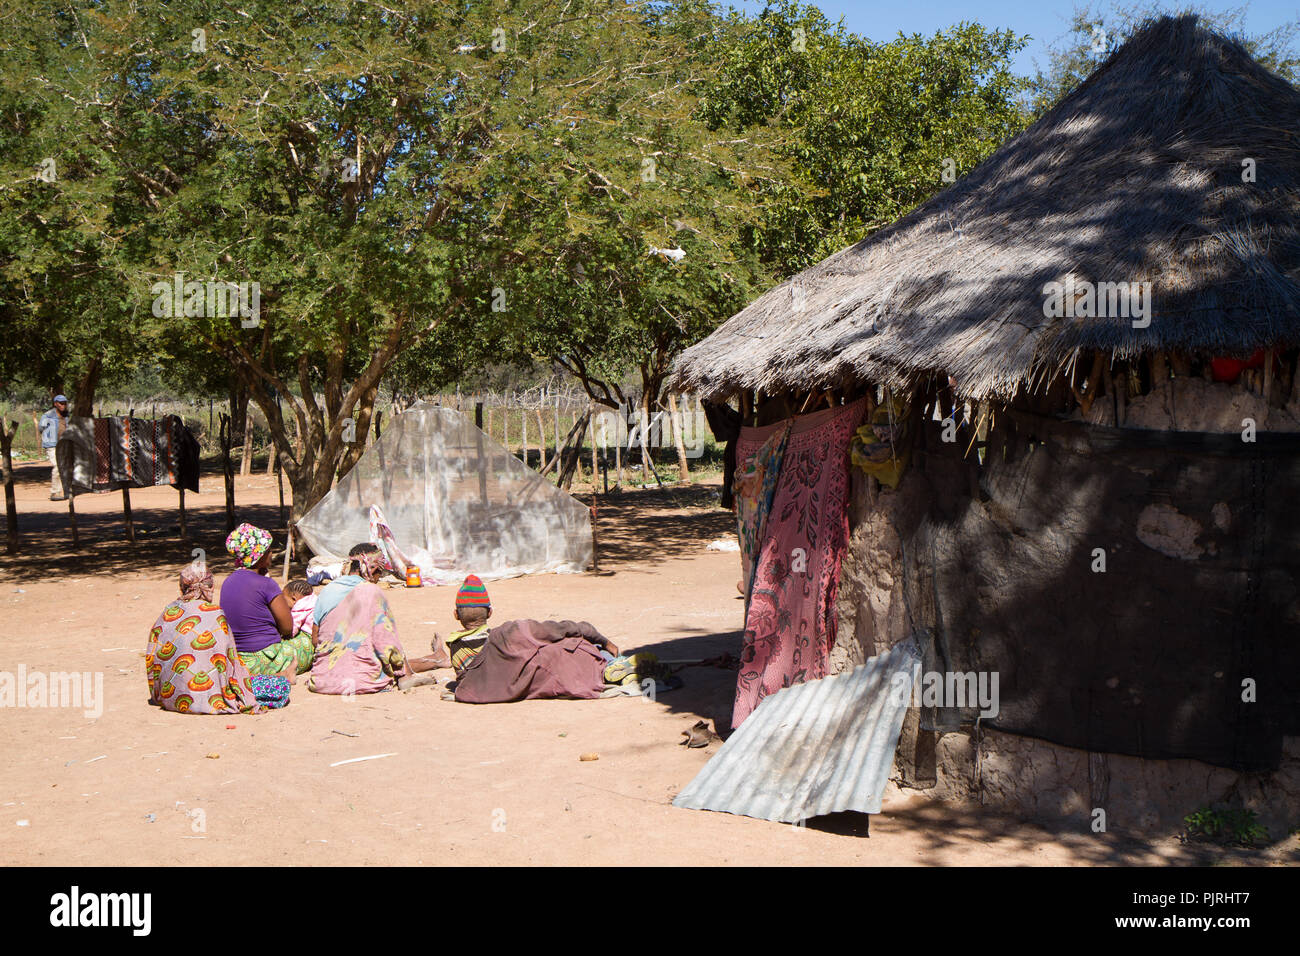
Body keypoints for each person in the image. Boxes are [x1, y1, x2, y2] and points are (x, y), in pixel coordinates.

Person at [445, 574, 666, 704]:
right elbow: (561, 628)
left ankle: (613, 672)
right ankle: (611, 665)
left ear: (456, 615)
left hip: (540, 684)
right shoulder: (508, 633)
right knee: (565, 646)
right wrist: (603, 639)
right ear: (490, 612)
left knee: (545, 660)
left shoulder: (458, 657)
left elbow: (469, 677)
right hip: (566, 665)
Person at [146, 562, 290, 714]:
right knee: (280, 686)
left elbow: (152, 659)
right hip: (212, 698)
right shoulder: (215, 615)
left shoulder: (168, 613)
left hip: (170, 698)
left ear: (182, 586)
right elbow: (230, 663)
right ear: (210, 587)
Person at [306, 543, 441, 695]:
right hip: (363, 681)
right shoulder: (372, 591)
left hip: (322, 681)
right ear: (373, 569)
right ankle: (407, 676)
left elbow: (315, 639)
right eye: (380, 574)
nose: (378, 579)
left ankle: (434, 660)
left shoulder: (327, 591)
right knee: (386, 645)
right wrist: (399, 666)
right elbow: (387, 644)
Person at [219, 523, 312, 680]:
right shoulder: (266, 584)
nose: (271, 554)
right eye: (268, 551)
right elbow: (287, 628)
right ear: (259, 555)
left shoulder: (227, 582)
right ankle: (281, 672)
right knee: (307, 641)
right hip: (266, 656)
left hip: (238, 658)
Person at [39, 394, 69, 501]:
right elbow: (41, 428)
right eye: (61, 403)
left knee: (64, 467)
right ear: (55, 404)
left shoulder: (66, 415)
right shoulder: (47, 415)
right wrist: (48, 438)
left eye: (64, 403)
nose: (63, 405)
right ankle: (54, 492)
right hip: (52, 445)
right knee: (57, 466)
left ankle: (63, 491)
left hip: (64, 444)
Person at [284, 579, 316, 643]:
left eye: (284, 599)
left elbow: (293, 626)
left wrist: (286, 636)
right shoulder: (313, 600)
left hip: (309, 635)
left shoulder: (299, 607)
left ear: (294, 599)